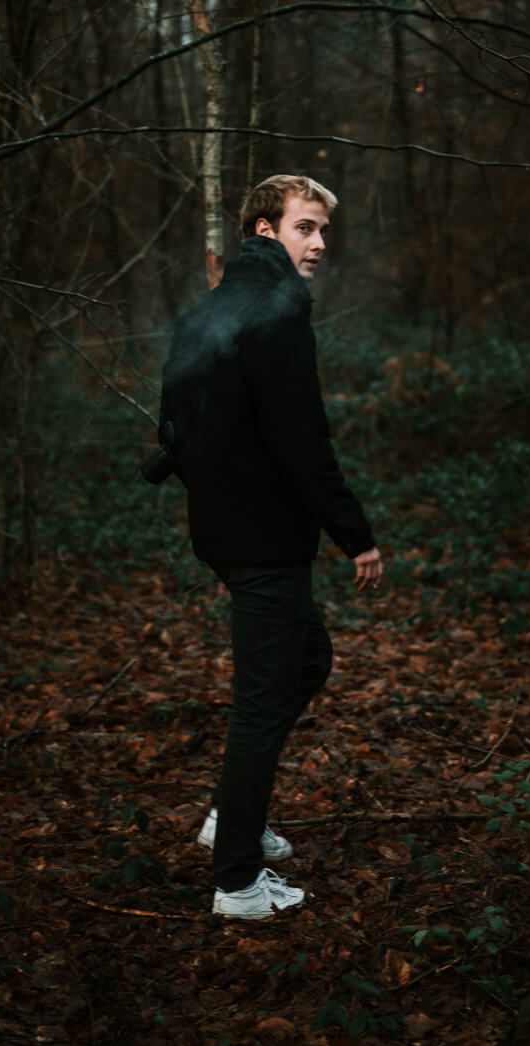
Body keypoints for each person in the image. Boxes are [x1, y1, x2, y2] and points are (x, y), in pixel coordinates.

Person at [156, 173, 382, 920]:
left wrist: (208, 492)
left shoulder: (210, 310)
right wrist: (356, 534)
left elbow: (174, 427)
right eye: (305, 228)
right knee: (260, 703)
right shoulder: (277, 314)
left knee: (307, 660)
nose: (319, 244)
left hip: (230, 535)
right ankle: (238, 881)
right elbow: (301, 443)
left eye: (322, 231)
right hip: (261, 541)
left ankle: (232, 815)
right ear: (263, 231)